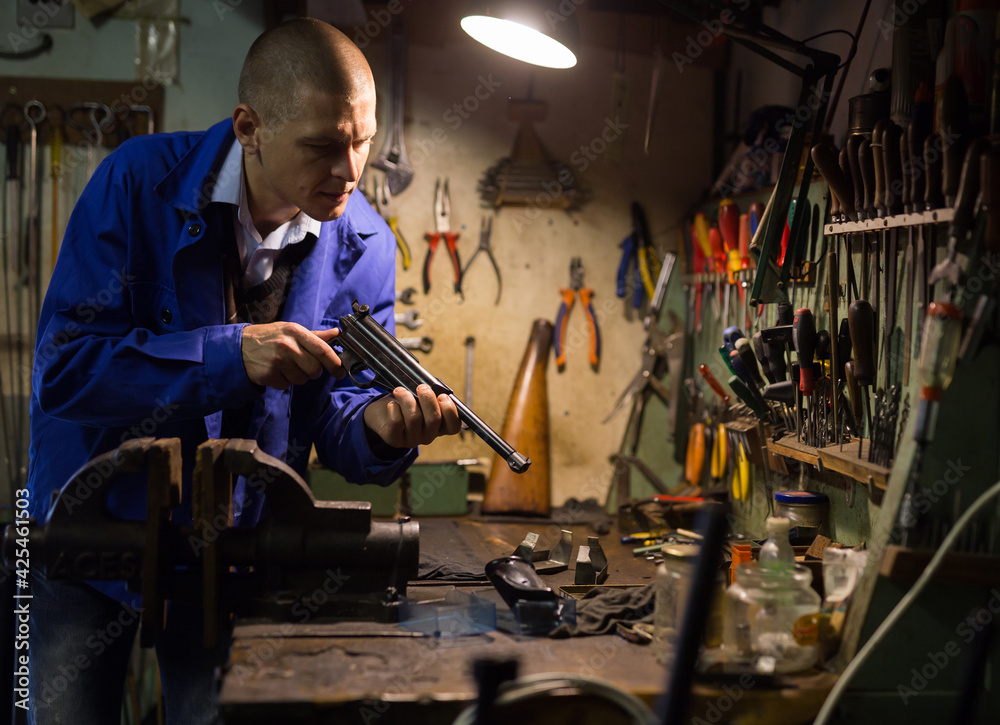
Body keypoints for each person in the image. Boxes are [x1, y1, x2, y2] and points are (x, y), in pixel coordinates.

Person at [24, 18, 459, 725]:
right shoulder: (137, 185)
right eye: (323, 146)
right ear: (250, 126)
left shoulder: (366, 243)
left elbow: (335, 413)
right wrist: (230, 355)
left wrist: (378, 429)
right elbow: (66, 372)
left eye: (362, 141)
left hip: (227, 556)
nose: (350, 171)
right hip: (86, 534)